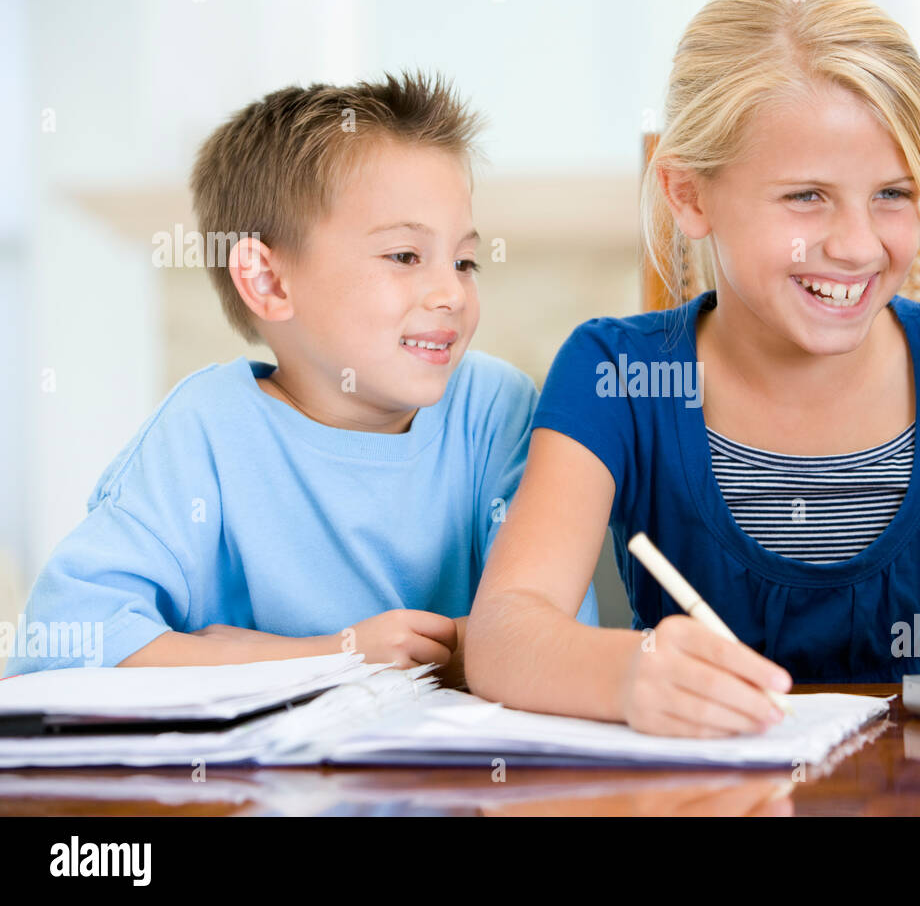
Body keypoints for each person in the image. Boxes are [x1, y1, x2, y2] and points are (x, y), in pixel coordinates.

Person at [465, 0, 920, 737]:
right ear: (689, 196)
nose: (858, 245)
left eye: (893, 194)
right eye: (807, 196)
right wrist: (627, 673)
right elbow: (504, 634)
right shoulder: (617, 376)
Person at [7, 70, 598, 678]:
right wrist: (334, 654)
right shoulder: (204, 430)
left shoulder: (497, 409)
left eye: (465, 260)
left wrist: (237, 652)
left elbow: (560, 634)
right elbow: (59, 643)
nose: (452, 292)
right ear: (268, 281)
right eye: (404, 256)